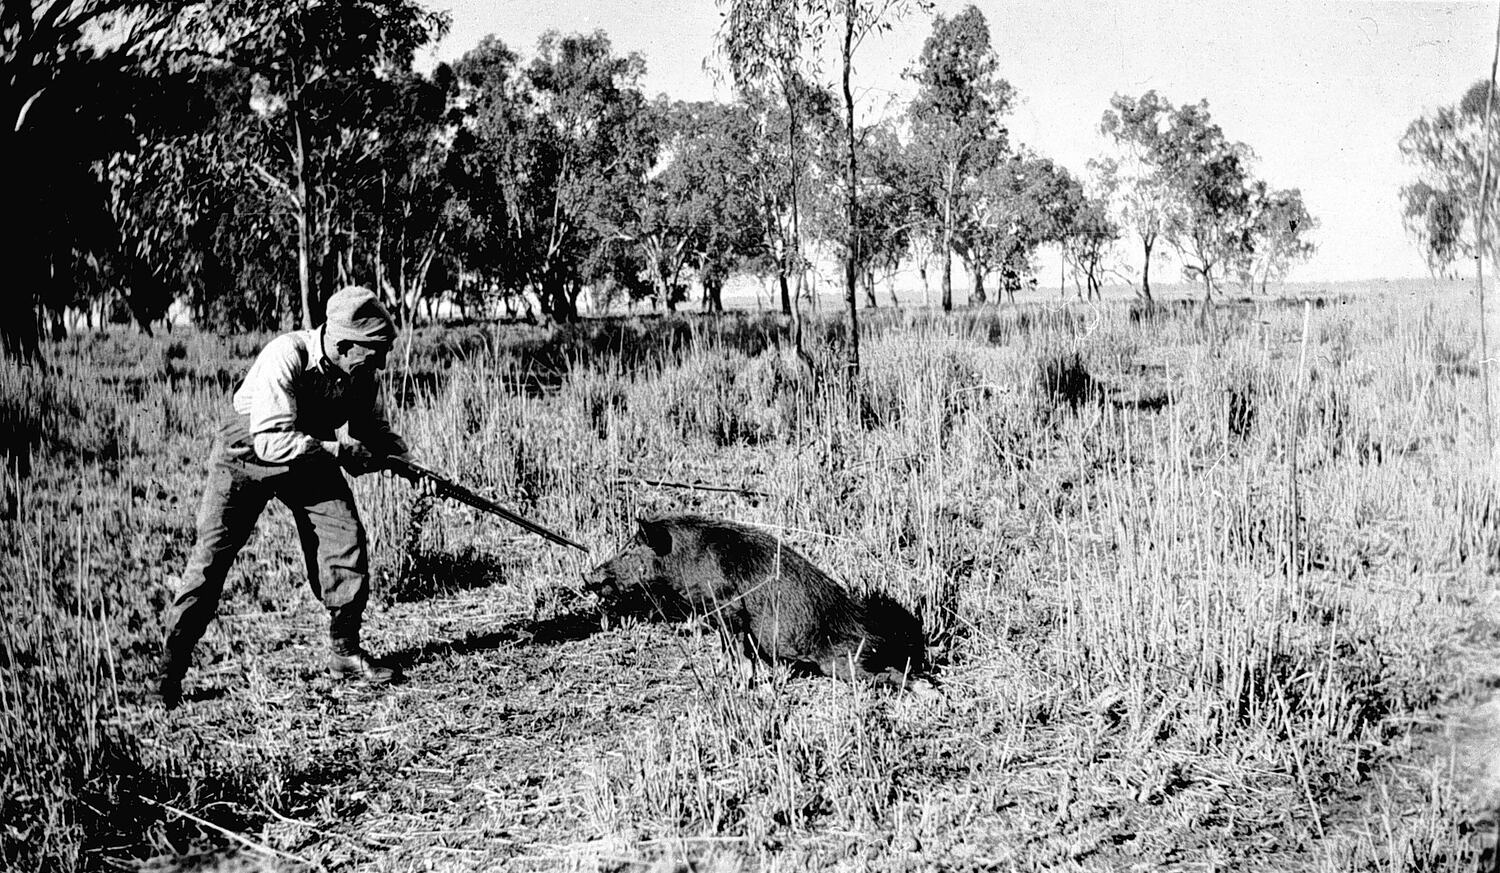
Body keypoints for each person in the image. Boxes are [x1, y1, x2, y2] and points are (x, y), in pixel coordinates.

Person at [154, 285, 416, 709]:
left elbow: (374, 432)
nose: (381, 363)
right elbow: (273, 441)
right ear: (344, 344)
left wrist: (407, 464)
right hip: (248, 452)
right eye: (375, 351)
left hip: (310, 456)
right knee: (211, 558)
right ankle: (171, 668)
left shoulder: (361, 374)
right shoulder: (286, 355)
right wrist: (341, 451)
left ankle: (344, 653)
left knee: (344, 538)